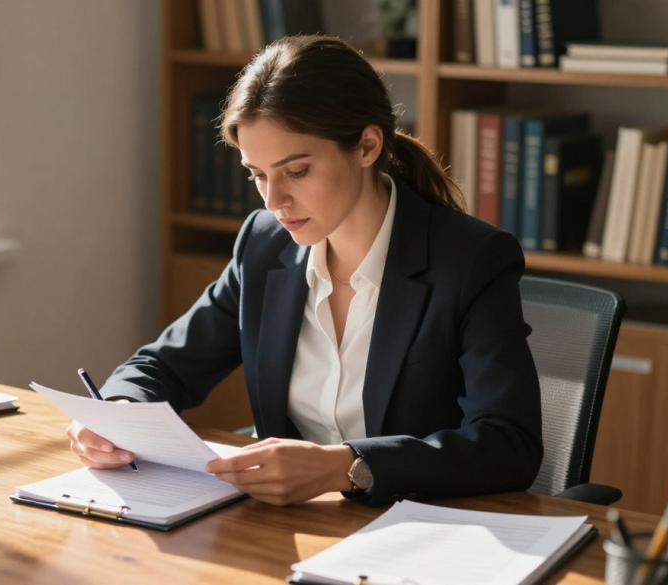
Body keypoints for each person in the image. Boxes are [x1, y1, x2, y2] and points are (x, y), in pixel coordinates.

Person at [67, 35, 543, 507]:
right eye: (257, 174)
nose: (273, 201)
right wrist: (114, 414)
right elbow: (163, 365)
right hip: (289, 529)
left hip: (417, 532)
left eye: (295, 171)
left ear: (367, 146)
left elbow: (508, 444)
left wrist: (345, 467)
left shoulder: (470, 259)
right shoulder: (264, 245)